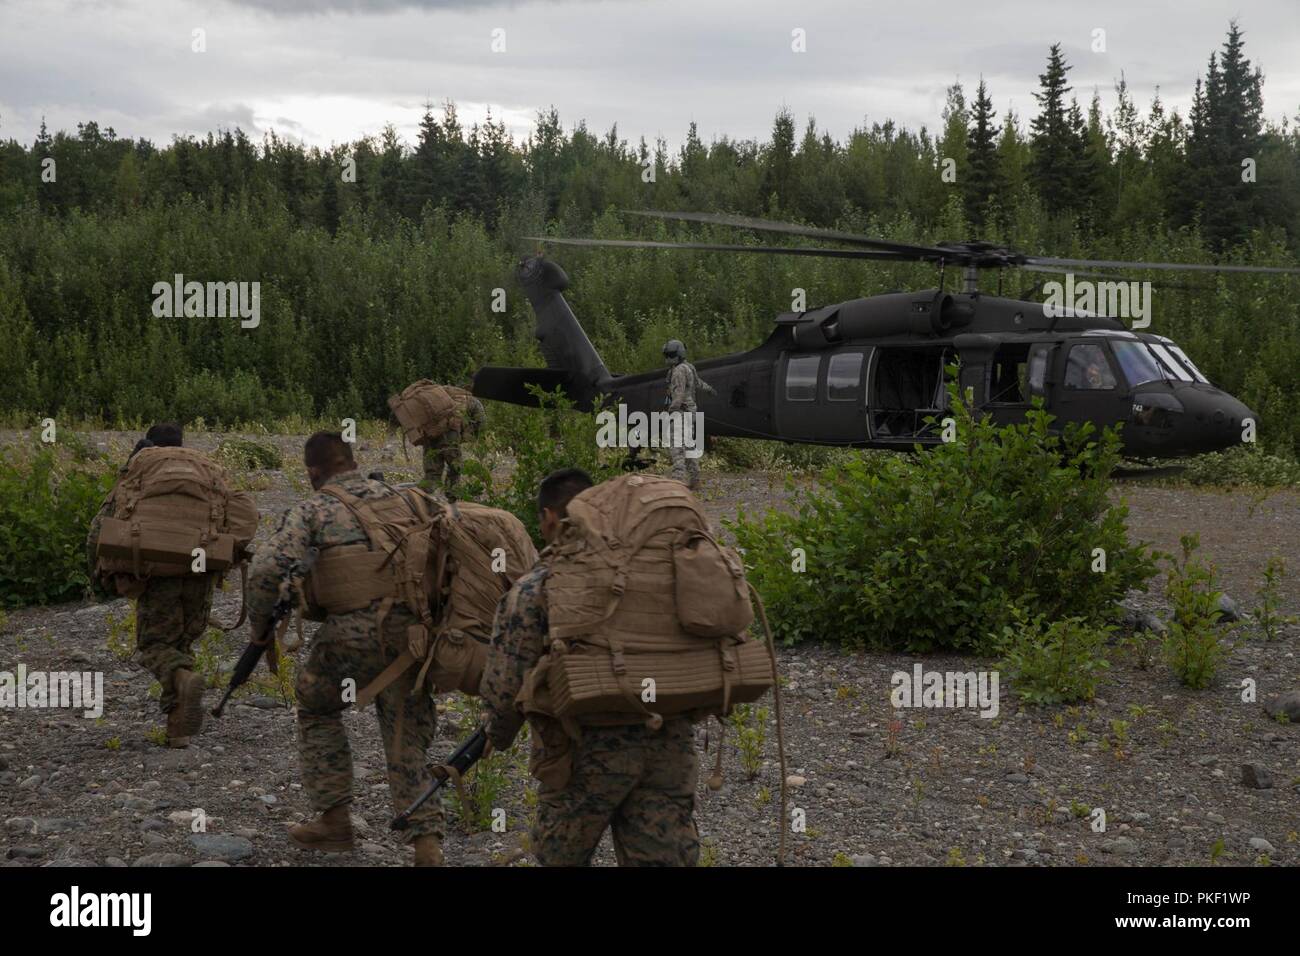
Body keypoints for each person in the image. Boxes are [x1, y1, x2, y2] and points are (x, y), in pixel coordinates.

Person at [479, 467, 701, 866]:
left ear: (549, 518)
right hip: (668, 745)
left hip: (583, 754)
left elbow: (505, 684)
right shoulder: (658, 569)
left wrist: (499, 733)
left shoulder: (537, 587)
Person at [244, 432, 443, 866]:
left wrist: (261, 628)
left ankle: (335, 820)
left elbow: (265, 569)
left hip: (353, 636)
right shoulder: (405, 497)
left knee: (316, 703)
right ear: (352, 460)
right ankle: (427, 845)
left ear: (313, 471)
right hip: (415, 635)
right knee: (404, 733)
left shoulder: (314, 508)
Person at [86, 423, 235, 748]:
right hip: (202, 566)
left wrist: (103, 573)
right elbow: (237, 517)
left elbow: (101, 525)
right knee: (181, 643)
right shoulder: (207, 468)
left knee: (155, 646)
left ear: (150, 443)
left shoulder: (140, 466)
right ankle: (177, 731)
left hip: (154, 568)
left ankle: (181, 678)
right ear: (182, 444)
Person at [662, 339, 714, 490]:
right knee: (689, 445)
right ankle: (695, 479)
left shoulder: (677, 371)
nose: (668, 358)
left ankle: (677, 481)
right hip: (689, 412)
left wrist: (670, 410)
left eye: (670, 354)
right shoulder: (688, 367)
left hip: (680, 412)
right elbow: (698, 383)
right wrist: (710, 389)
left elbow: (677, 396)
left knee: (676, 446)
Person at [421, 387, 485, 495]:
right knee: (455, 468)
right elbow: (481, 421)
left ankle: (423, 499)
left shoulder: (441, 395)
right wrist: (469, 436)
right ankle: (451, 499)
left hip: (430, 434)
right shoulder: (472, 400)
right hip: (450, 437)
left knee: (432, 473)